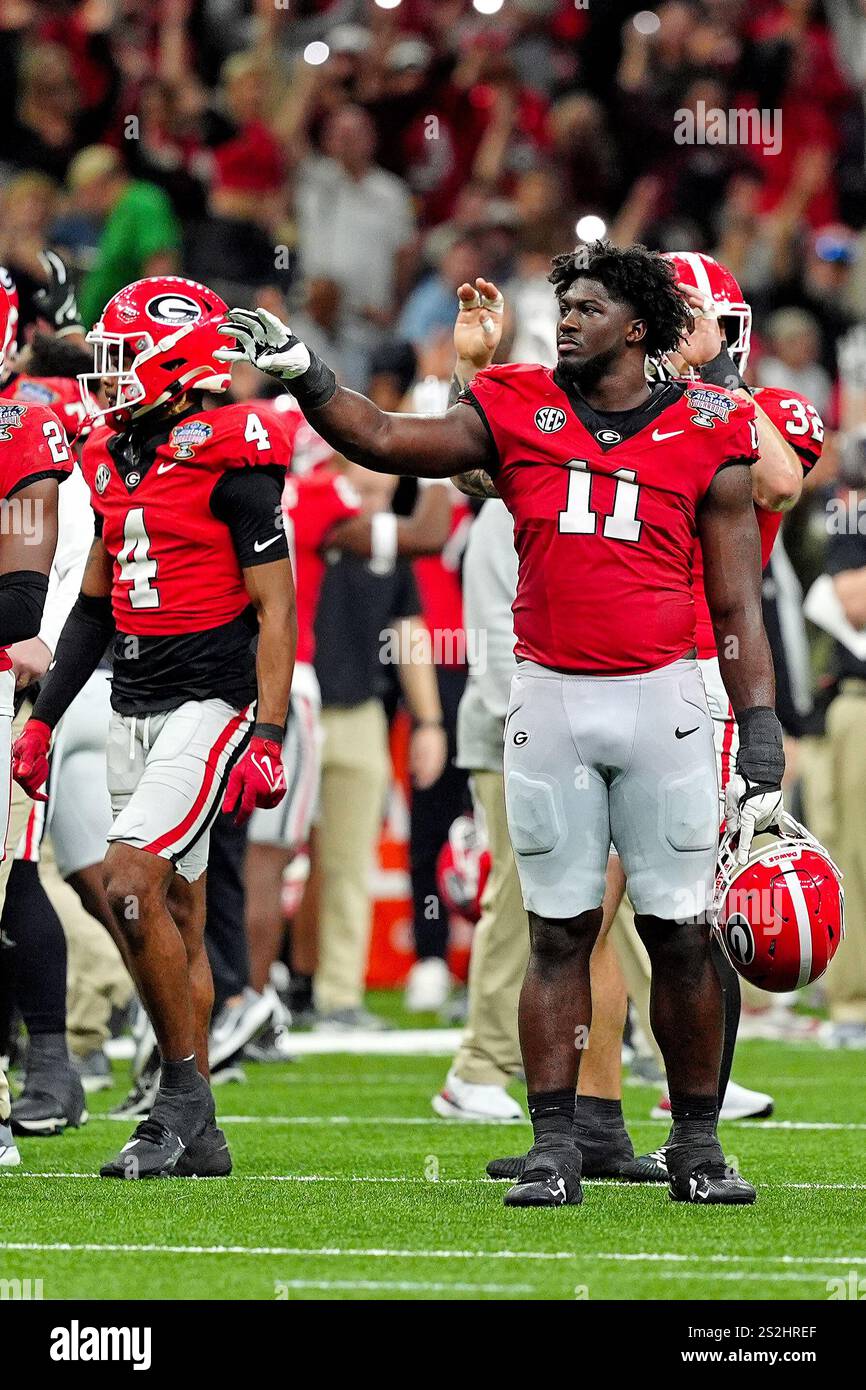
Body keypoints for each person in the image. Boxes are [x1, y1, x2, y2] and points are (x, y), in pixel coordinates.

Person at [218, 240, 784, 1207]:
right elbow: (386, 440)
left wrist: (760, 717)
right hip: (552, 698)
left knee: (683, 934)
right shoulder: (519, 402)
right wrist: (309, 374)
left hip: (666, 699)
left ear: (639, 326)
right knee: (556, 932)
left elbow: (736, 602)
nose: (565, 319)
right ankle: (556, 1142)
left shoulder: (708, 422)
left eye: (589, 306)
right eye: (564, 305)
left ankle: (697, 1144)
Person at [13, 275, 296, 1179]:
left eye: (122, 352)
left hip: (213, 700)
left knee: (128, 885)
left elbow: (278, 611)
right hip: (131, 699)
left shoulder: (233, 449)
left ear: (180, 358)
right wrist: (44, 718)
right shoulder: (107, 451)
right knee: (172, 908)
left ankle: (177, 1098)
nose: (108, 373)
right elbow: (94, 604)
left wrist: (271, 732)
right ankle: (199, 1129)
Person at [0, 269, 74, 1166]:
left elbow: (19, 603)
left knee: (19, 880)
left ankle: (48, 1058)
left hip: (25, 677)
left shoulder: (19, 422)